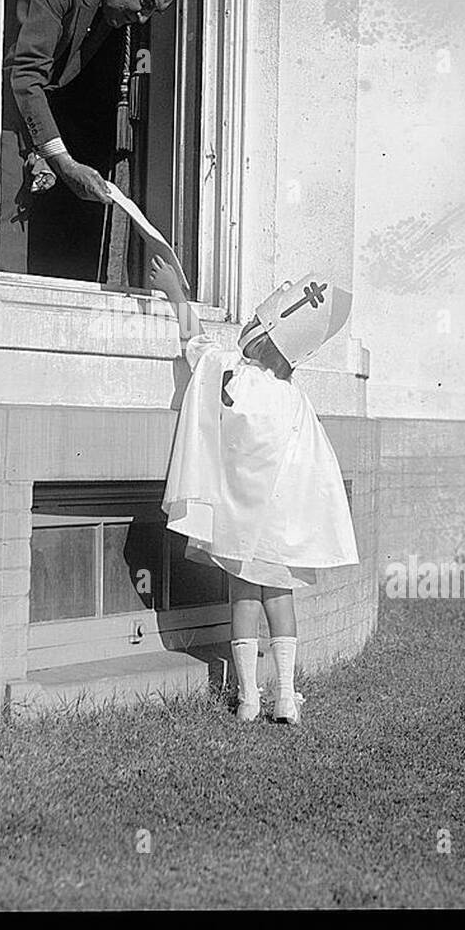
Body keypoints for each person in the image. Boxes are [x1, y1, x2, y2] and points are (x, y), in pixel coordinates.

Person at [149, 256, 359, 724]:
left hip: (238, 520)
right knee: (279, 601)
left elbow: (195, 344)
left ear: (258, 338)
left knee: (242, 597)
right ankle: (285, 696)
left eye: (249, 323)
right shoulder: (293, 398)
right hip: (278, 523)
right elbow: (312, 463)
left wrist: (177, 295)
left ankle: (248, 699)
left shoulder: (229, 375)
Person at [1, 0, 183, 272]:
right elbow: (25, 76)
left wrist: (38, 152)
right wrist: (64, 164)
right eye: (144, 2)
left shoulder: (106, 9)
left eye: (152, 12)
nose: (142, 19)